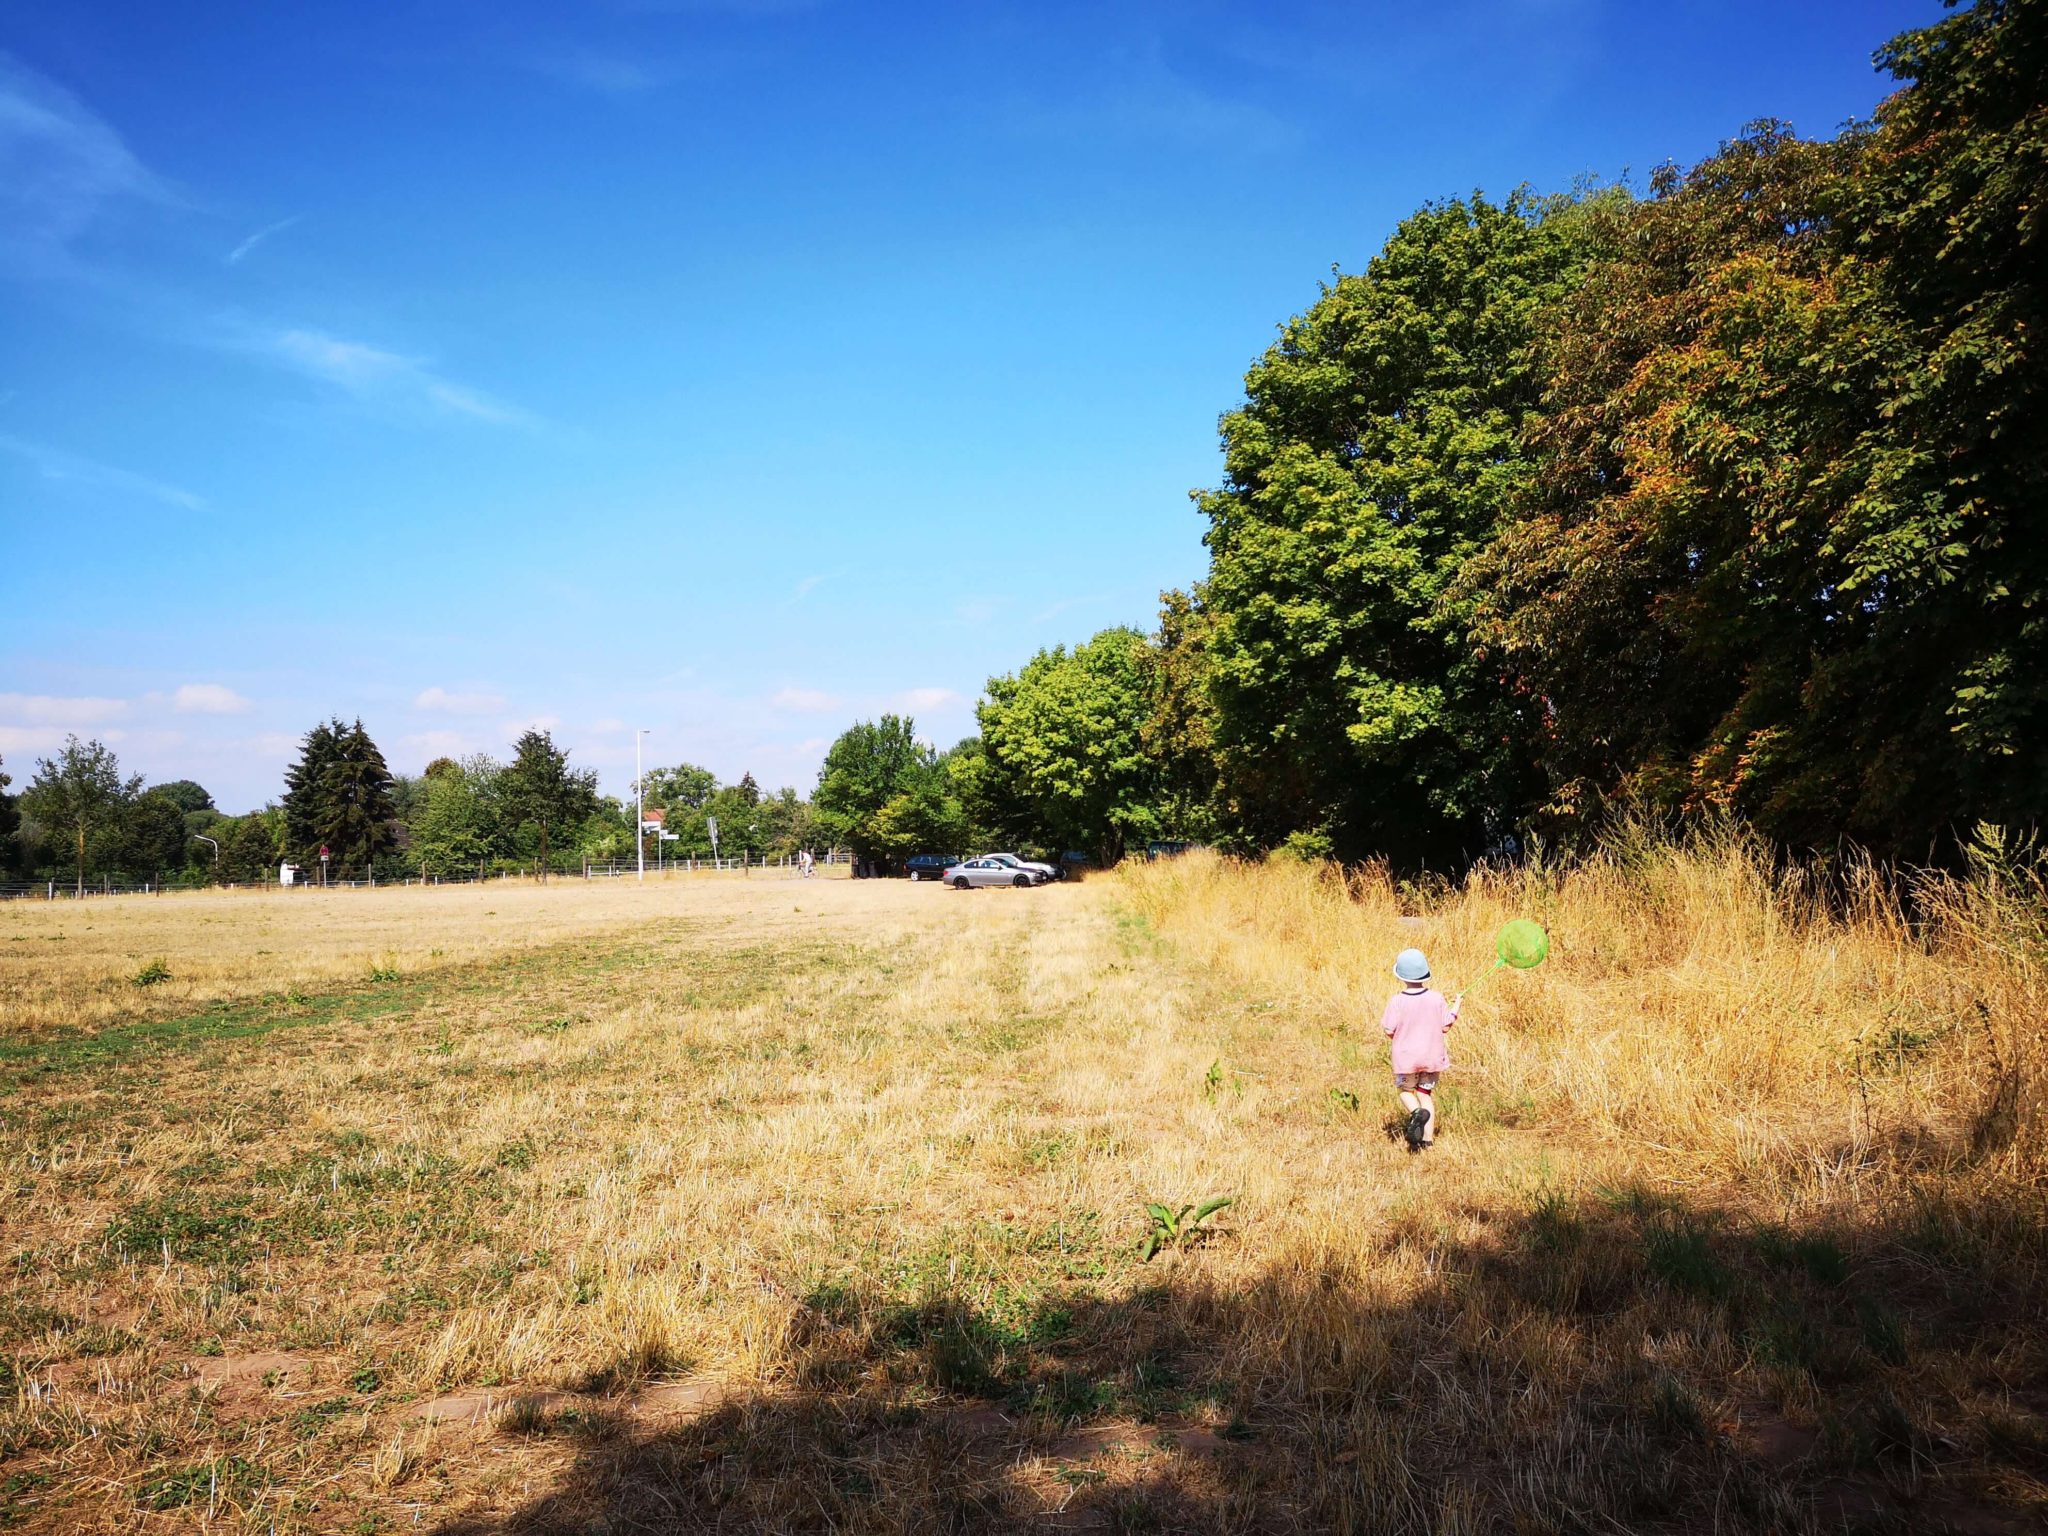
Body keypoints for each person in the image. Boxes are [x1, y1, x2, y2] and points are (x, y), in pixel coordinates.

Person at [1382, 948, 1459, 1152]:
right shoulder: (1437, 998)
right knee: (1425, 1094)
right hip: (1431, 1058)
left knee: (1405, 1090)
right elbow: (1445, 1026)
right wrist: (1456, 1007)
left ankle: (1416, 1113)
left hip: (1406, 1059)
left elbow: (1389, 1029)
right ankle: (1428, 1142)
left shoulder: (1397, 1001)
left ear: (1400, 976)